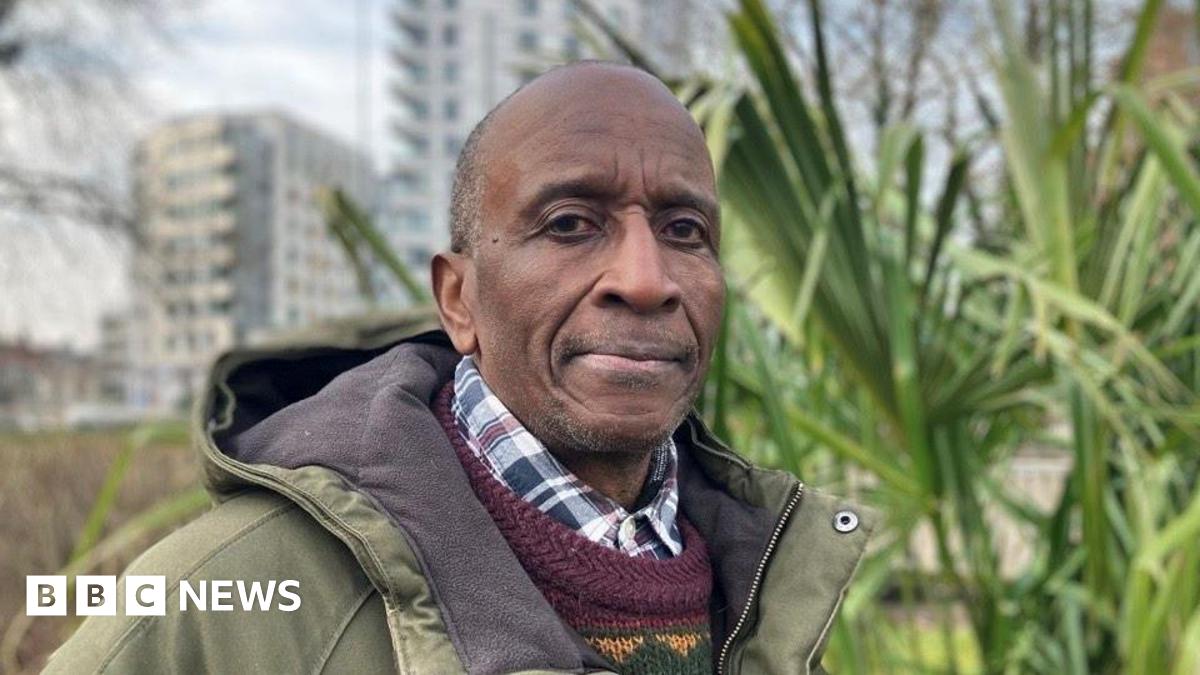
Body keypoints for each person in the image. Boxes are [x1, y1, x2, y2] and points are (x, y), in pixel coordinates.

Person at [46, 61, 874, 675]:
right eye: (571, 221)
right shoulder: (220, 599)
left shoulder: (772, 581)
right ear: (459, 298)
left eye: (685, 230)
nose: (646, 278)